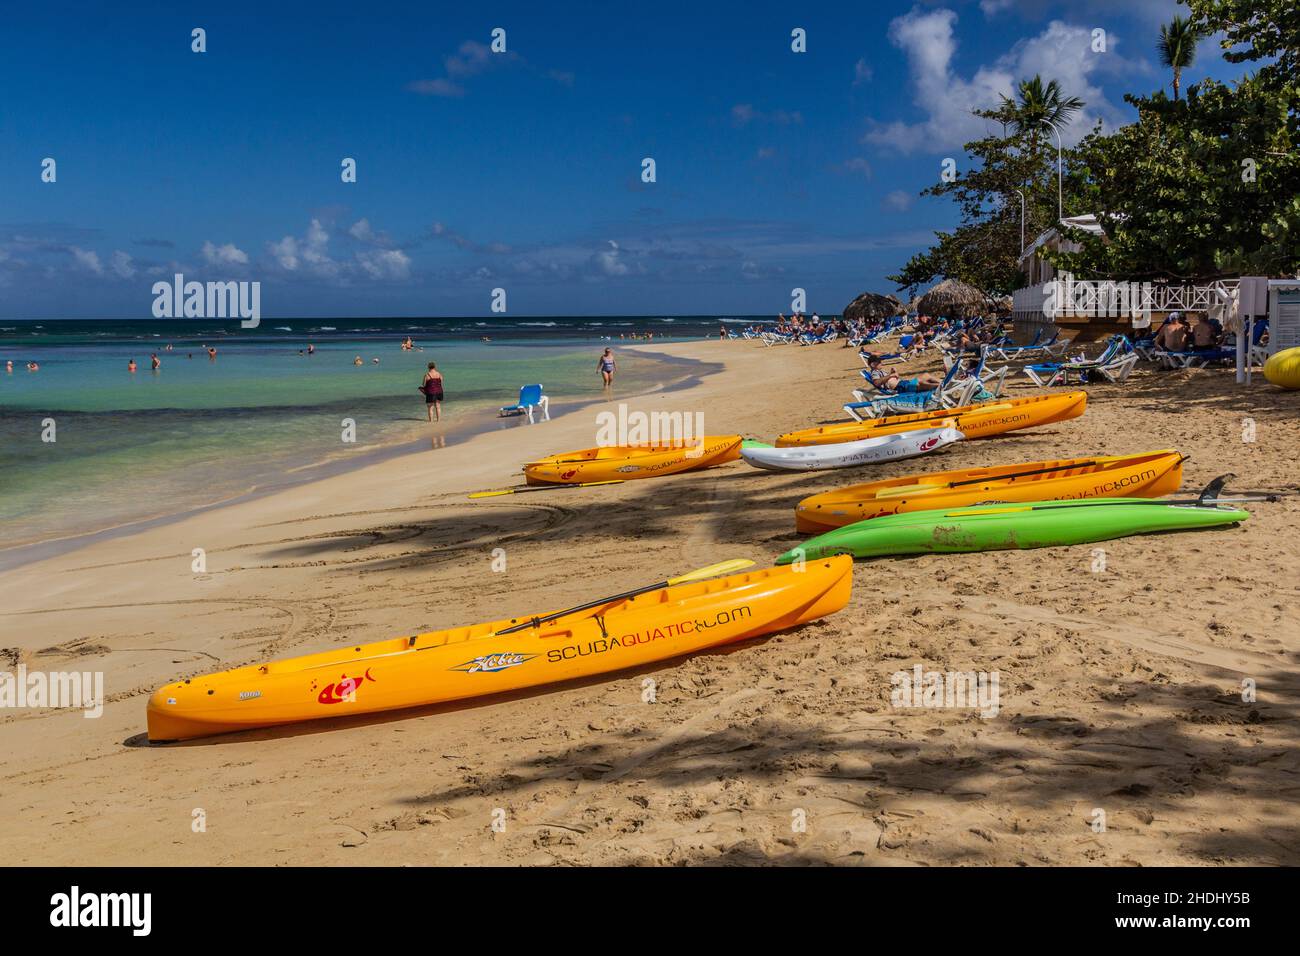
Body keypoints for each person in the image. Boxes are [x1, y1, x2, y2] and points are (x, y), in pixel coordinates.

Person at [863, 355, 941, 393]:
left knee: (926, 375)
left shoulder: (881, 371)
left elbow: (892, 378)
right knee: (921, 383)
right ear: (873, 365)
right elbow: (877, 383)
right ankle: (940, 386)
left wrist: (892, 373)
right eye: (879, 362)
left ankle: (943, 382)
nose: (881, 363)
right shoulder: (874, 373)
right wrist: (891, 375)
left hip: (903, 383)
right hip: (900, 387)